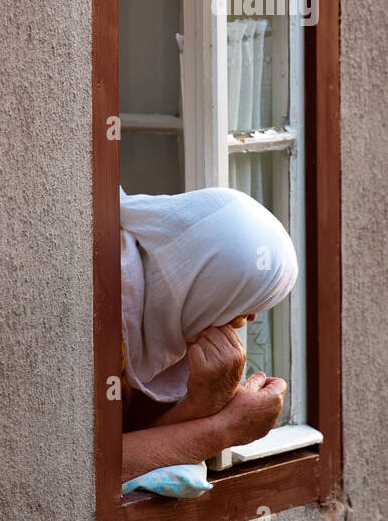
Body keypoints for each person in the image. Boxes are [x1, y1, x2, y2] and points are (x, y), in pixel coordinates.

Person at [118, 185, 297, 482]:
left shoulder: (153, 332)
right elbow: (96, 469)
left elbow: (129, 438)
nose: (250, 318)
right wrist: (226, 429)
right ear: (205, 284)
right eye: (245, 301)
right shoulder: (99, 315)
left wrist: (203, 403)